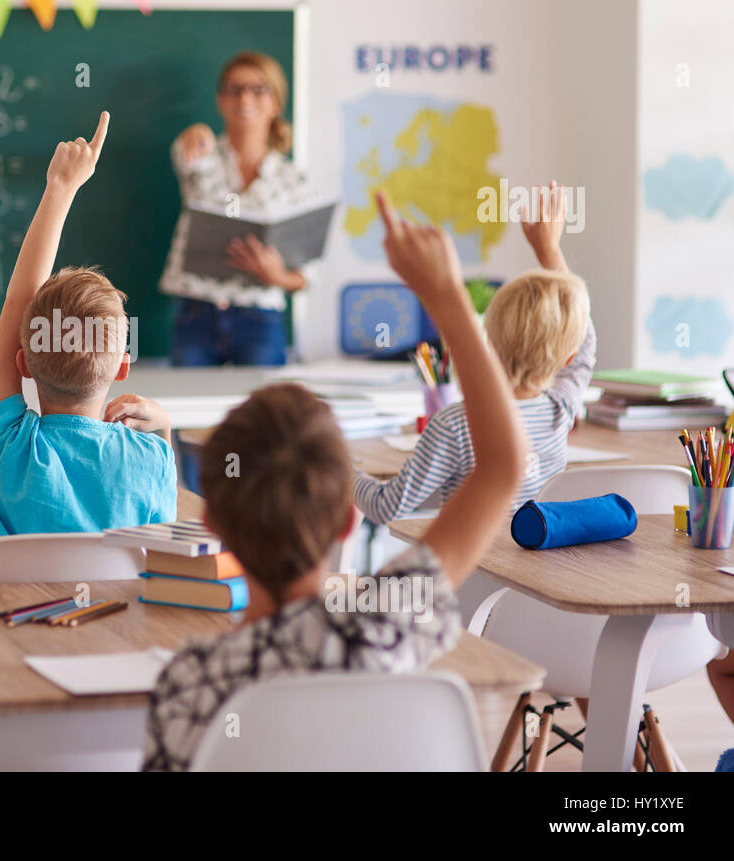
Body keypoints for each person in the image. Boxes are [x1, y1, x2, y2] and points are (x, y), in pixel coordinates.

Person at [142, 190, 528, 770]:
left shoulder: (193, 683)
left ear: (212, 524)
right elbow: (502, 466)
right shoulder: (385, 626)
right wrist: (446, 298)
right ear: (349, 517)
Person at [0, 112, 178, 545]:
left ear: (22, 363)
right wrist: (164, 430)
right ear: (122, 367)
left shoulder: (8, 448)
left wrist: (59, 188)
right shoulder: (150, 459)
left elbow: (17, 300)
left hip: (1, 614)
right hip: (113, 614)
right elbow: (162, 552)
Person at [354, 181, 595, 523]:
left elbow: (385, 506)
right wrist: (549, 251)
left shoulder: (456, 424)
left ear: (489, 341)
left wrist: (341, 470)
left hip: (471, 571)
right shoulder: (561, 411)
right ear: (567, 358)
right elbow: (584, 344)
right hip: (533, 570)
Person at [159, 50, 310, 367]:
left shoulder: (294, 180)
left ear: (276, 103)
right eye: (234, 89)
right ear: (220, 100)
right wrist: (195, 135)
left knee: (264, 414)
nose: (245, 99)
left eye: (259, 89)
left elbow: (305, 276)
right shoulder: (202, 154)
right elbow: (183, 155)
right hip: (195, 312)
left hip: (260, 318)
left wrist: (277, 275)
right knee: (188, 410)